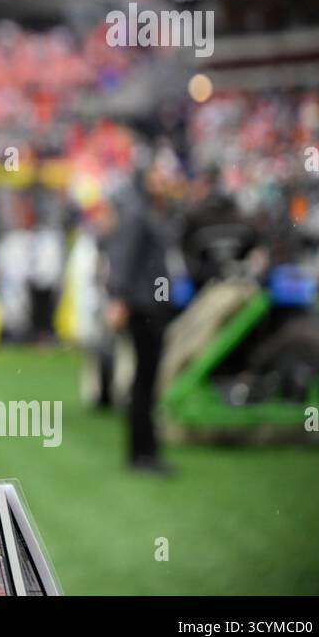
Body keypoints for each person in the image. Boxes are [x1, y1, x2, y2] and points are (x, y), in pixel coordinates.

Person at [106, 153, 182, 474]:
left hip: (151, 305)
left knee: (147, 381)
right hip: (142, 308)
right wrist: (119, 300)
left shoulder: (150, 212)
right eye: (155, 175)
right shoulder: (138, 214)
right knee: (143, 381)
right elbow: (123, 260)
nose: (162, 180)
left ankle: (146, 451)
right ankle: (142, 454)